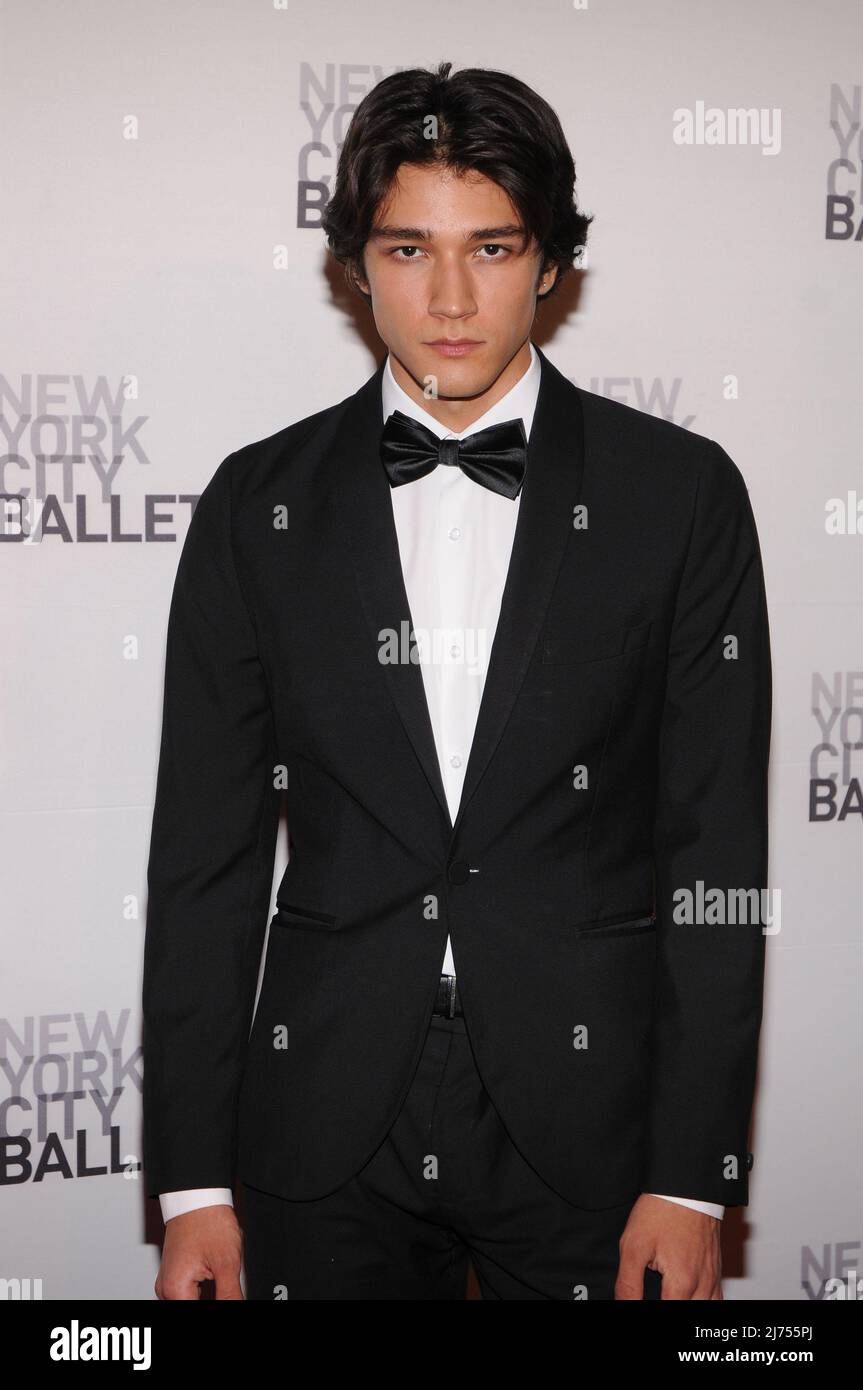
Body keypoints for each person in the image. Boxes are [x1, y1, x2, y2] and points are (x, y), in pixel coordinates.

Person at [143, 61, 771, 1301]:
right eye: (404, 249)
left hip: (589, 1118)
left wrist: (693, 1175)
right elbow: (204, 860)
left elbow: (716, 861)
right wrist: (193, 1185)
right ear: (352, 264)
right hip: (320, 1112)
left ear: (547, 260)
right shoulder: (254, 506)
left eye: (488, 247)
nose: (445, 298)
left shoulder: (680, 496)